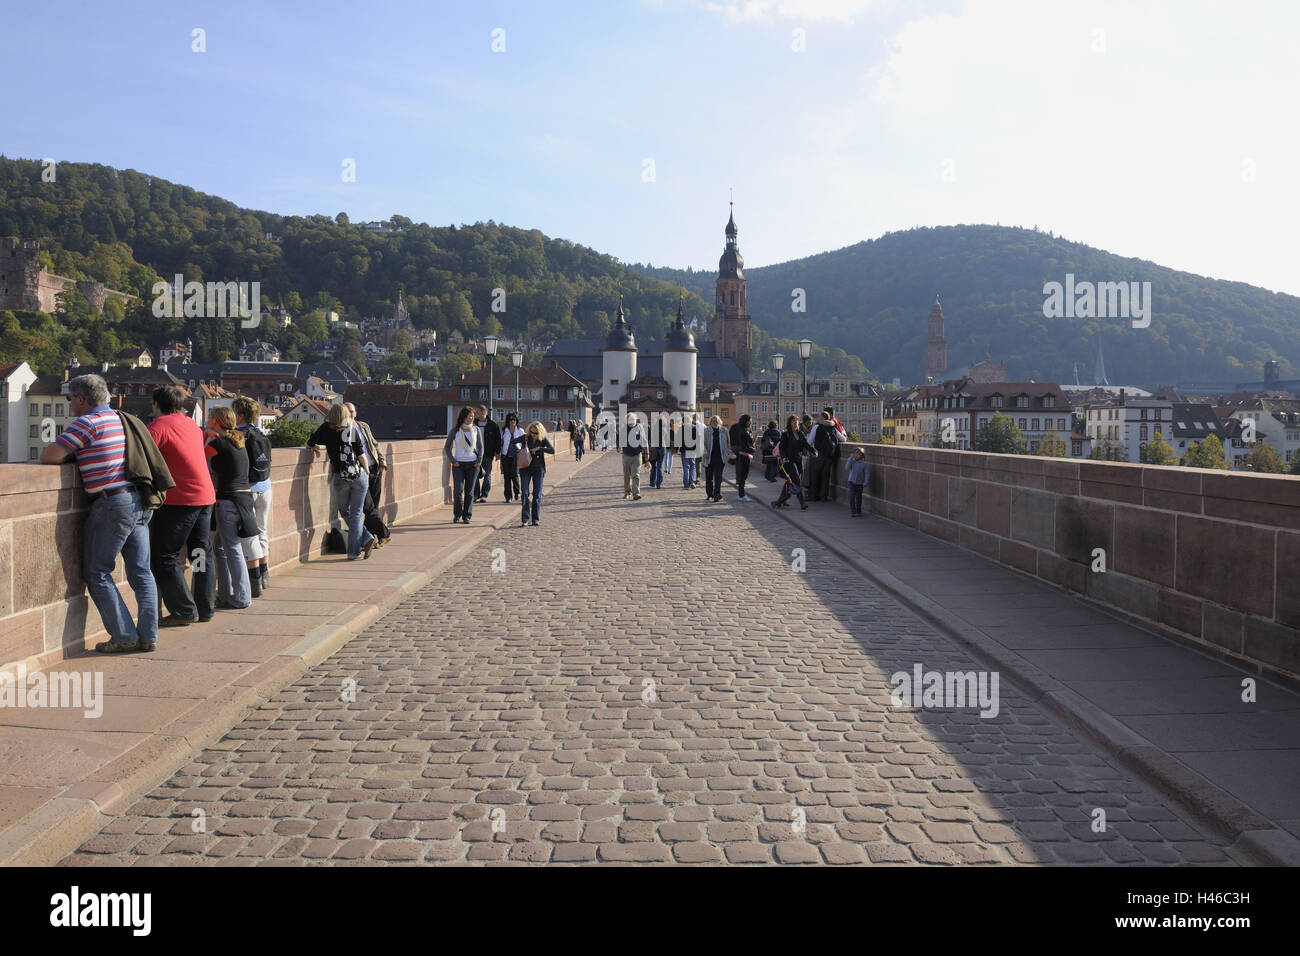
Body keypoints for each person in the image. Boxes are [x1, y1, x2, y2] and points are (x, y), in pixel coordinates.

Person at [40, 374, 159, 653]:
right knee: (142, 572)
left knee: (97, 572)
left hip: (112, 504)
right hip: (138, 500)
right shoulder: (121, 419)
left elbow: (50, 457)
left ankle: (124, 635)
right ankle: (149, 634)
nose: (71, 404)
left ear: (82, 399)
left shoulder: (88, 422)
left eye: (71, 399)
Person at [148, 385, 216, 627]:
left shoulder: (158, 426)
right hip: (205, 496)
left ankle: (184, 610)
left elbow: (143, 457)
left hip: (180, 499)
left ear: (156, 404)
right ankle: (204, 606)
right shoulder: (191, 425)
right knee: (200, 552)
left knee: (165, 557)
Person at [204, 407, 256, 607]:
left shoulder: (217, 444)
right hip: (243, 501)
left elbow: (196, 458)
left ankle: (242, 597)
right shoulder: (238, 442)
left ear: (217, 421)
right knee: (221, 548)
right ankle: (225, 595)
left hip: (227, 502)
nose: (208, 419)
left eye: (210, 417)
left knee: (232, 549)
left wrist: (204, 437)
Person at [309, 404, 377, 556]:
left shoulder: (326, 429)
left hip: (341, 476)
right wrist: (366, 470)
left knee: (345, 511)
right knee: (357, 513)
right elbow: (361, 454)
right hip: (359, 475)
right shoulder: (350, 430)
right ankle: (362, 542)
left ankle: (364, 540)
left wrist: (317, 447)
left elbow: (310, 441)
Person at [234, 397, 274, 592]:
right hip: (265, 486)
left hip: (248, 489)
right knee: (262, 530)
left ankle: (255, 581)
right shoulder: (260, 432)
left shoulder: (238, 435)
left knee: (249, 535)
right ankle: (265, 574)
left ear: (240, 414)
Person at [441, 406, 482, 524]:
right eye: (470, 416)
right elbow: (447, 447)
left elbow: (480, 447)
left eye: (473, 416)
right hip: (458, 464)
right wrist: (453, 460)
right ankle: (457, 514)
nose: (472, 418)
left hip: (473, 464)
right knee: (458, 491)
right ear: (464, 417)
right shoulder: (455, 430)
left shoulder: (476, 430)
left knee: (469, 491)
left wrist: (479, 460)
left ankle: (467, 515)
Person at [345, 402, 386, 512]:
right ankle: (379, 530)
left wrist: (382, 463)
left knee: (375, 506)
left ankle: (371, 529)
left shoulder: (363, 426)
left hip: (375, 468)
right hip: (361, 471)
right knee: (368, 507)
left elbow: (374, 444)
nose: (349, 413)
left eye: (351, 411)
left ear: (355, 413)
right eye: (346, 411)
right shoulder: (343, 430)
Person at [772, 415, 812, 510]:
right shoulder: (786, 434)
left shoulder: (800, 433)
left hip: (798, 460)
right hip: (789, 461)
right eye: (793, 420)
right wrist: (784, 457)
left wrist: (813, 451)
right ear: (790, 422)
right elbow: (781, 447)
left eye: (797, 421)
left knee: (790, 482)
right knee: (797, 481)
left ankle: (780, 501)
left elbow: (806, 444)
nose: (795, 422)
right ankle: (802, 502)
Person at [519, 421, 556, 526]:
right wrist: (520, 451)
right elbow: (513, 445)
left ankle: (535, 519)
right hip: (525, 467)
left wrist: (540, 448)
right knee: (525, 493)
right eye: (532, 432)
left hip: (538, 468)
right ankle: (525, 519)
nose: (533, 435)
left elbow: (552, 450)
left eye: (535, 433)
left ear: (539, 432)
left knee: (537, 494)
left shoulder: (542, 439)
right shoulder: (525, 438)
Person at [811, 410, 842, 502]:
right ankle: (823, 497)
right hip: (829, 455)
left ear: (822, 418)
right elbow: (843, 438)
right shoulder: (833, 428)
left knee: (815, 475)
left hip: (819, 454)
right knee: (825, 476)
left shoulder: (817, 426)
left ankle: (813, 496)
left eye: (820, 417)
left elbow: (809, 441)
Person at [473, 405, 501, 502]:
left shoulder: (493, 425)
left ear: (483, 412)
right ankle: (475, 494)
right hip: (475, 453)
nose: (475, 414)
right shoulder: (473, 423)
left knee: (487, 474)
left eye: (477, 411)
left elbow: (498, 439)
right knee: (475, 474)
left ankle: (484, 494)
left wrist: (497, 452)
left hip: (488, 453)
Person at [702, 415, 730, 502]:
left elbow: (729, 443)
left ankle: (717, 494)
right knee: (709, 477)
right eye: (713, 420)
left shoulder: (724, 430)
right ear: (710, 422)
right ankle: (709, 494)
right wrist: (705, 452)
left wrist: (727, 452)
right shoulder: (706, 431)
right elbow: (701, 443)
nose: (715, 422)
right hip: (709, 458)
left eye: (717, 420)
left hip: (720, 457)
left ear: (719, 421)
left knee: (718, 477)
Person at [622, 412, 649, 500]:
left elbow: (644, 441)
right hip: (626, 455)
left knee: (636, 474)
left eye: (633, 420)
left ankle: (636, 493)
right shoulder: (623, 429)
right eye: (630, 420)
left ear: (635, 420)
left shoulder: (639, 427)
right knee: (626, 475)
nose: (631, 422)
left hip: (637, 454)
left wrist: (647, 453)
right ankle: (627, 492)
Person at [499, 412, 525, 502]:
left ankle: (517, 492)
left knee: (514, 474)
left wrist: (522, 450)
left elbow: (524, 442)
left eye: (513, 419)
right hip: (505, 455)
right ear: (507, 421)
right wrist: (499, 453)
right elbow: (500, 443)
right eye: (510, 420)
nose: (512, 421)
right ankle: (508, 496)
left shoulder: (520, 431)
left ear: (516, 420)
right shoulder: (504, 431)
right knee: (506, 476)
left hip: (516, 455)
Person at [730, 414, 755, 501]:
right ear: (746, 421)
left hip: (742, 453)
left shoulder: (741, 429)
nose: (751, 422)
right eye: (750, 421)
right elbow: (751, 441)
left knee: (742, 475)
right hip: (743, 455)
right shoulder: (744, 431)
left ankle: (741, 494)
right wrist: (758, 433)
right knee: (743, 476)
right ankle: (741, 495)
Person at [846, 447, 870, 517]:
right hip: (851, 482)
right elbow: (847, 467)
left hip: (860, 484)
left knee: (859, 498)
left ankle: (858, 511)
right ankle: (853, 511)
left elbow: (867, 474)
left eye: (858, 454)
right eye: (855, 453)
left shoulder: (864, 464)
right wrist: (850, 458)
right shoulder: (852, 461)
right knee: (851, 496)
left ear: (862, 455)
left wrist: (865, 482)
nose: (856, 455)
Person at [680, 416, 699, 490]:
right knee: (692, 466)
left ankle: (686, 484)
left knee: (686, 467)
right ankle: (692, 482)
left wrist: (676, 449)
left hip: (684, 450)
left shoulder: (681, 429)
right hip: (692, 450)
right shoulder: (694, 428)